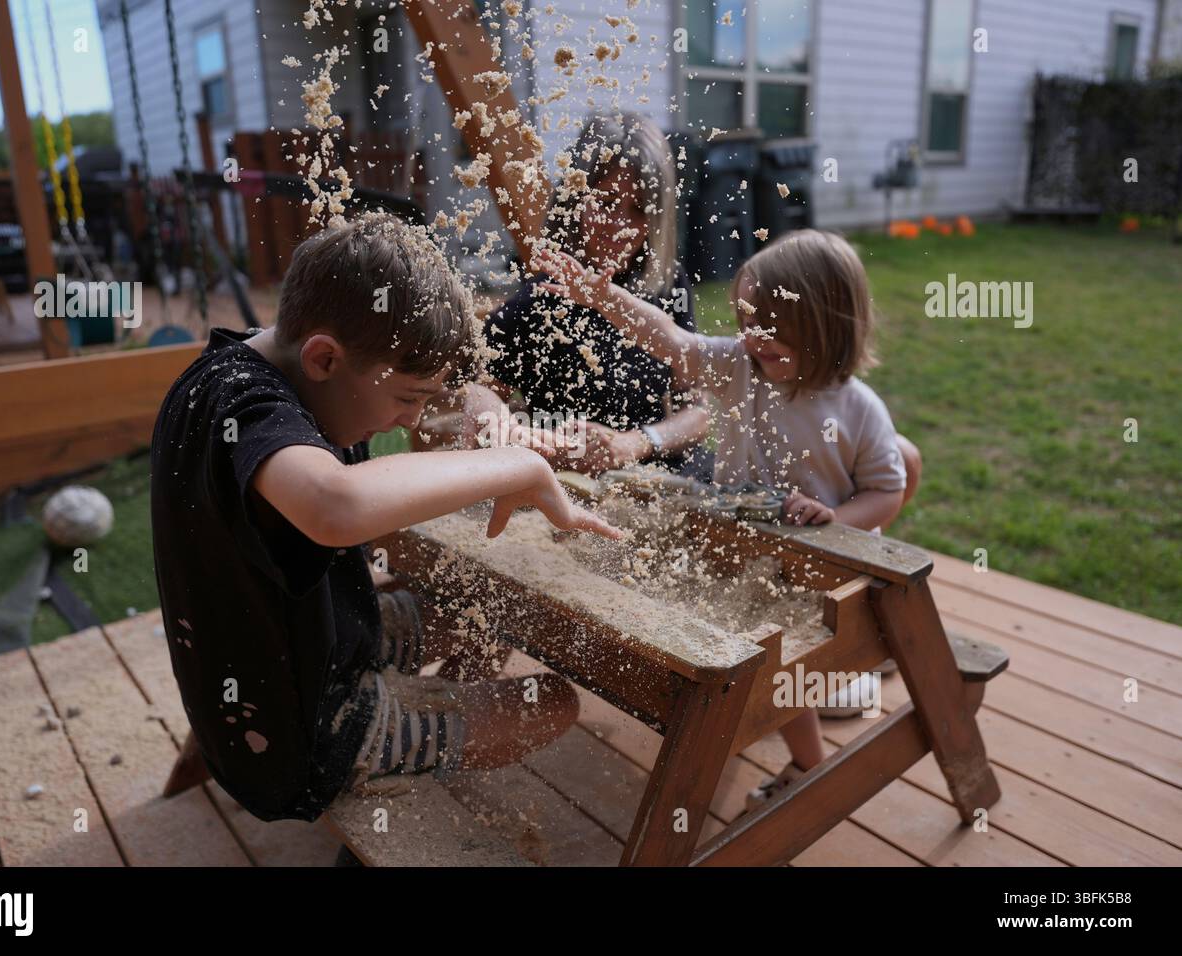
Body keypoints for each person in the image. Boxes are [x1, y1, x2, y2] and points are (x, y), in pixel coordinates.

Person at [149, 212, 620, 823]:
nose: (410, 420)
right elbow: (335, 506)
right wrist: (520, 468)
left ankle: (415, 717)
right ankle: (394, 762)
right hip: (301, 736)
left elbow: (449, 387)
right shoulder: (249, 408)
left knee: (489, 612)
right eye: (407, 401)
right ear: (323, 359)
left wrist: (480, 407)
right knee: (553, 702)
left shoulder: (275, 356)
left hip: (308, 642)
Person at [530, 227, 923, 805]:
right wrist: (602, 296)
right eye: (744, 322)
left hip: (823, 566)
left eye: (770, 328)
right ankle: (769, 732)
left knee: (780, 665)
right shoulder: (742, 366)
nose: (751, 338)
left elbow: (887, 493)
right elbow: (668, 338)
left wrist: (834, 514)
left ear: (825, 327)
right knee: (730, 636)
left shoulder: (859, 408)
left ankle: (806, 764)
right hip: (747, 545)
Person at [426, 112, 712, 477]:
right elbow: (475, 391)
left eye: (639, 210)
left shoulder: (667, 286)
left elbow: (698, 413)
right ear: (576, 198)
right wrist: (508, 426)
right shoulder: (541, 301)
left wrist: (635, 442)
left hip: (654, 477)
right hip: (570, 485)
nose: (619, 225)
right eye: (606, 202)